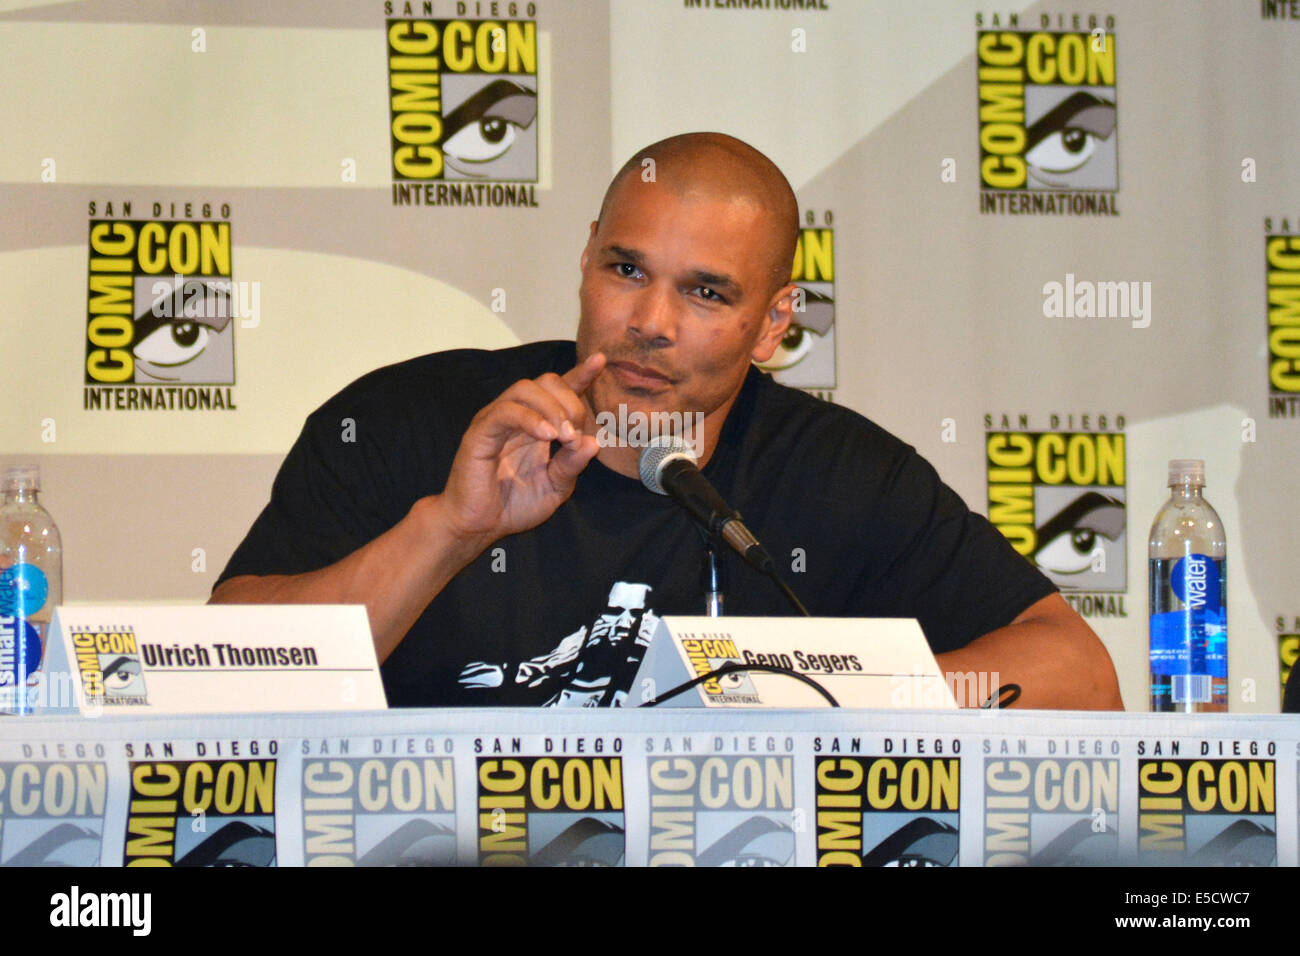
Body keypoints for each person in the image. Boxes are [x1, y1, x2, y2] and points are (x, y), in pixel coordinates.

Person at [211, 132, 1123, 711]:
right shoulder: (405, 422)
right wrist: (449, 529)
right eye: (626, 270)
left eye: (705, 292)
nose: (651, 322)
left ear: (774, 324)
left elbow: (1077, 676)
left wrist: (833, 699)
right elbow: (223, 682)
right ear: (583, 263)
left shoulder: (842, 476)